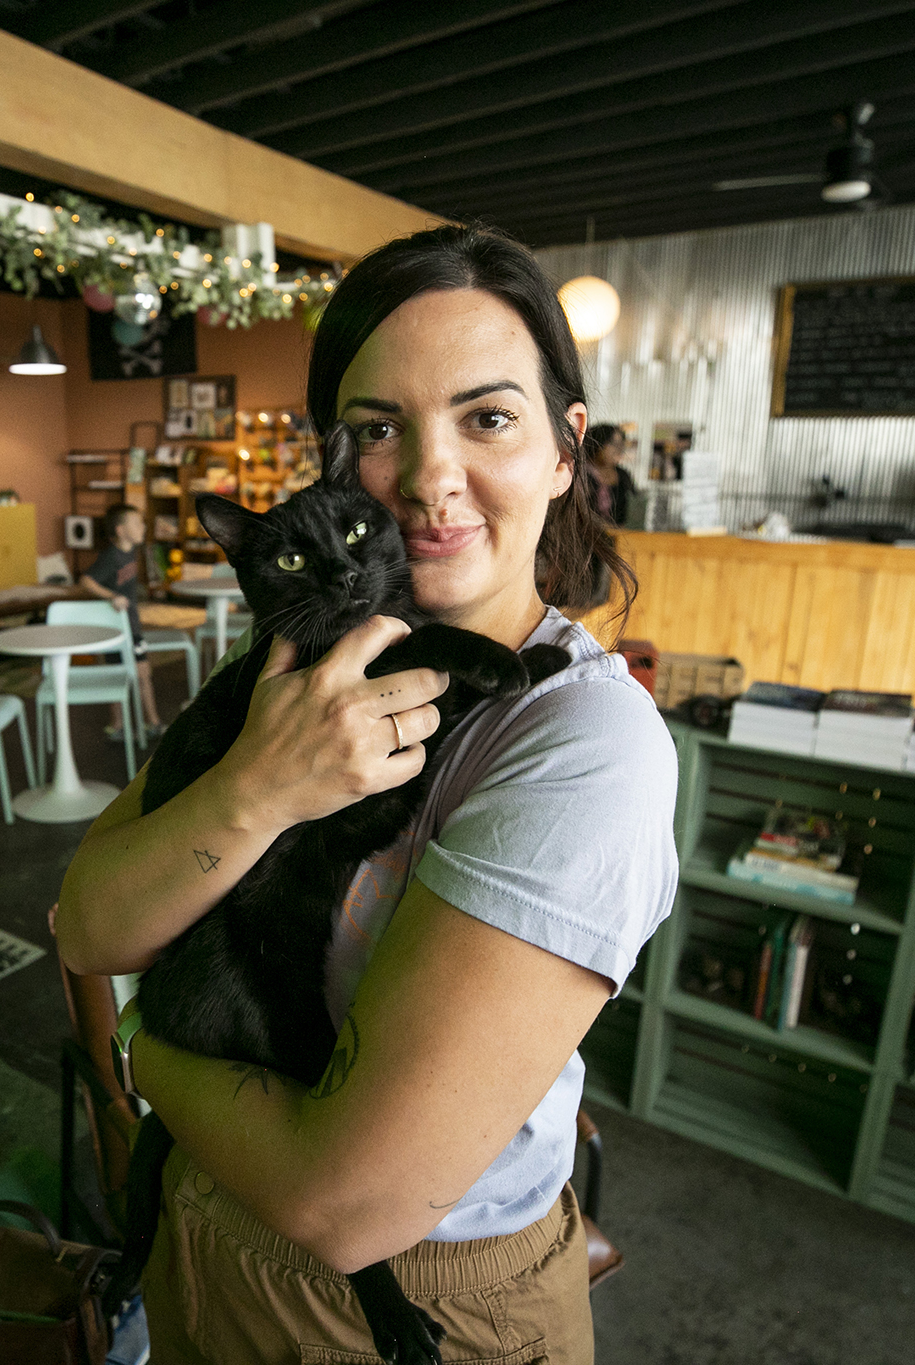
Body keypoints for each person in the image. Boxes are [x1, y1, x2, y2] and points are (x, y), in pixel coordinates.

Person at [56, 225, 679, 1361]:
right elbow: (87, 925)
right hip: (205, 1231)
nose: (430, 479)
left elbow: (346, 1203)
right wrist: (258, 788)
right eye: (380, 429)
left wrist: (138, 1052)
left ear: (562, 449)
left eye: (488, 418)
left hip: (419, 1301)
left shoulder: (581, 740)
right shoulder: (301, 666)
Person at [78, 501, 165, 740]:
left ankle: (148, 723)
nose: (143, 527)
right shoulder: (111, 556)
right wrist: (112, 596)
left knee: (142, 673)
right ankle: (125, 725)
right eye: (137, 523)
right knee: (124, 675)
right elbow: (86, 581)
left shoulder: (130, 552)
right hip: (117, 629)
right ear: (121, 530)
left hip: (131, 626)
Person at [582, 422, 637, 529]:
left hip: (621, 535)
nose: (619, 449)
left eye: (621, 444)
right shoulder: (580, 473)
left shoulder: (623, 475)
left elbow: (635, 505)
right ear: (597, 442)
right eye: (613, 443)